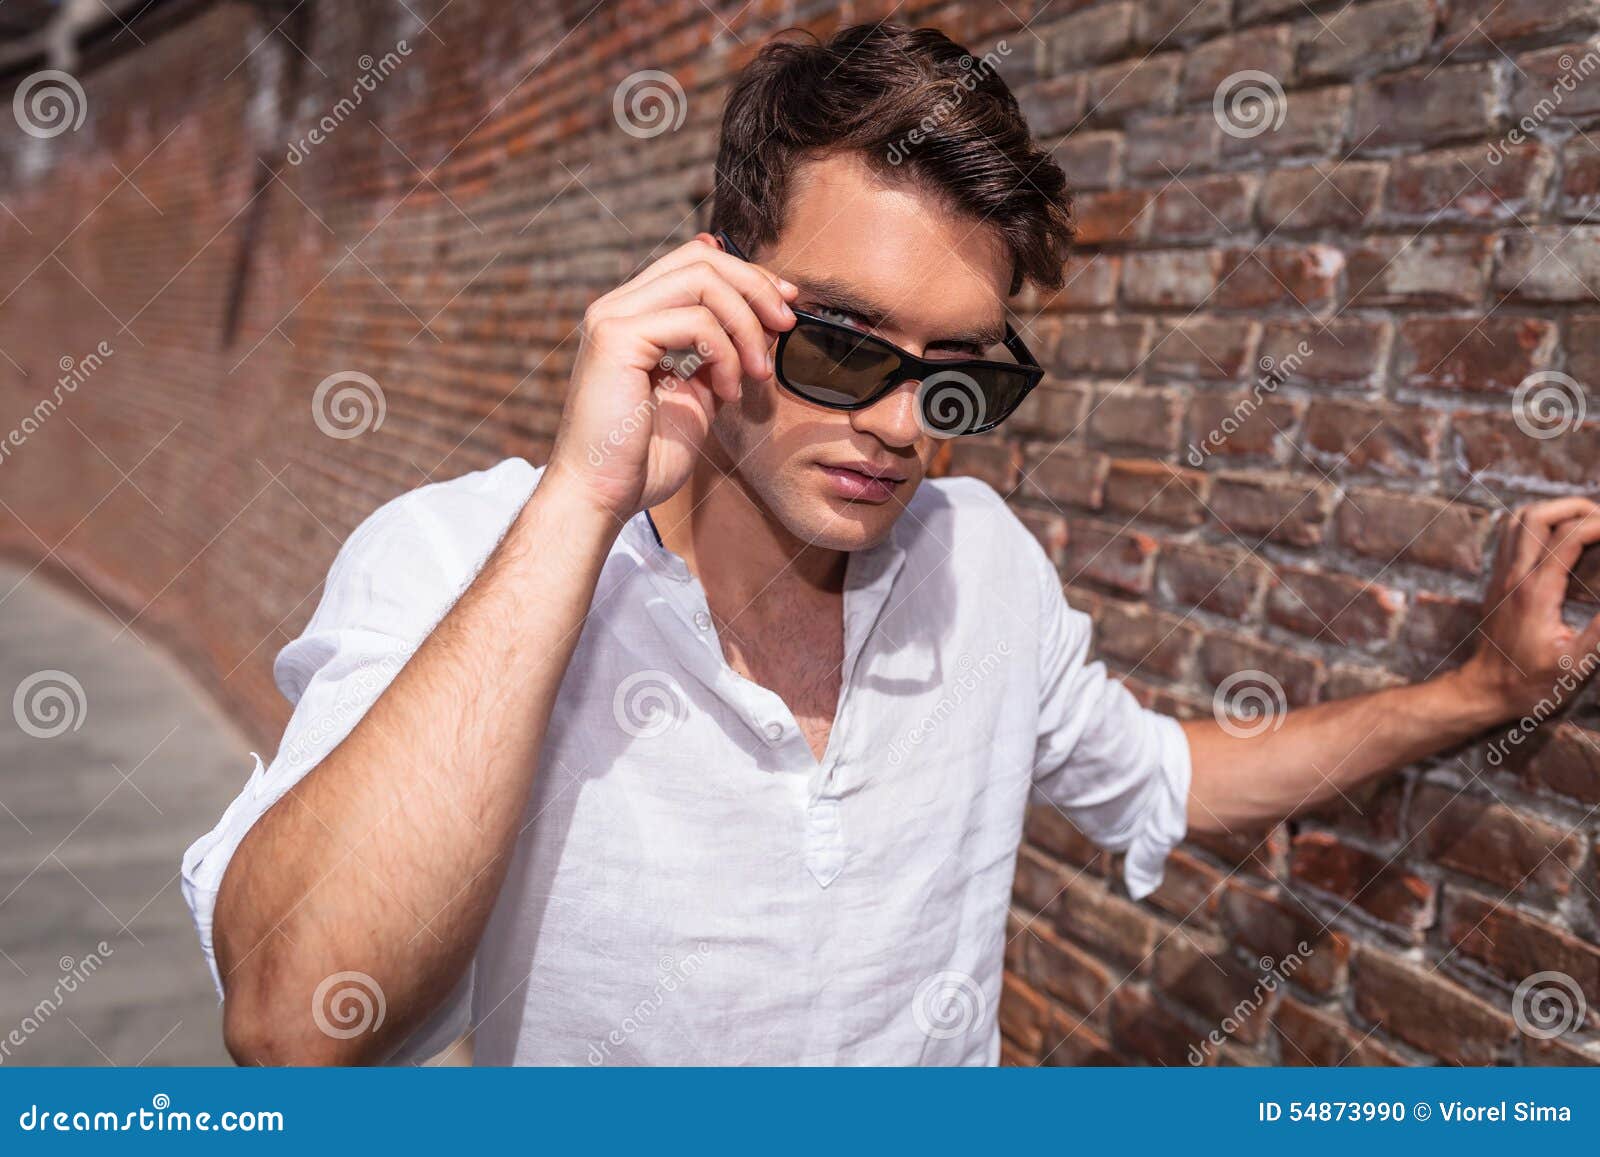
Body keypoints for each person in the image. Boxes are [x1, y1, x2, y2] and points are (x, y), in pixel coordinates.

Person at [182, 23, 1600, 1065]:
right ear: (714, 284)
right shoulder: (471, 552)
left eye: (962, 374)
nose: (910, 424)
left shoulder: (980, 563)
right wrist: (582, 500)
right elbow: (299, 1020)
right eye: (847, 343)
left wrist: (1475, 693)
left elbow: (1176, 775)